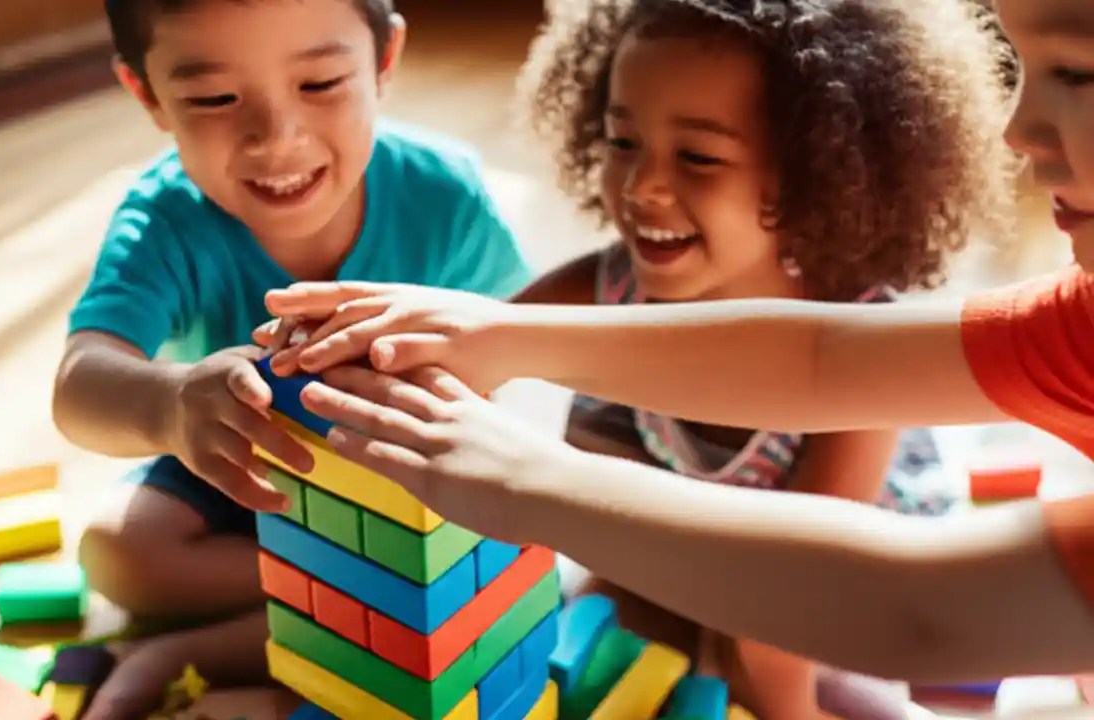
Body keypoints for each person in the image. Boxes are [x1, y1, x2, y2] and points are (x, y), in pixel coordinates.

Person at [257, 0, 1094, 684]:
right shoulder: (1074, 319)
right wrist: (416, 352)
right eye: (624, 143)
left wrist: (529, 479)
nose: (1018, 133)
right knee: (594, 625)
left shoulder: (868, 327)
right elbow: (814, 359)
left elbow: (870, 596)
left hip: (833, 566)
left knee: (774, 656)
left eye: (1077, 71)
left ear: (816, 173)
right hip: (699, 533)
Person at [50, 0, 531, 715]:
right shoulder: (163, 223)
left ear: (384, 62)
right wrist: (172, 405)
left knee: (519, 528)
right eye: (214, 98)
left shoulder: (444, 194)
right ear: (148, 95)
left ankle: (249, 632)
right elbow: (79, 382)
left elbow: (513, 351)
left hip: (398, 478)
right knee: (115, 553)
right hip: (238, 465)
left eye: (322, 82)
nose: (276, 137)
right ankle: (346, 592)